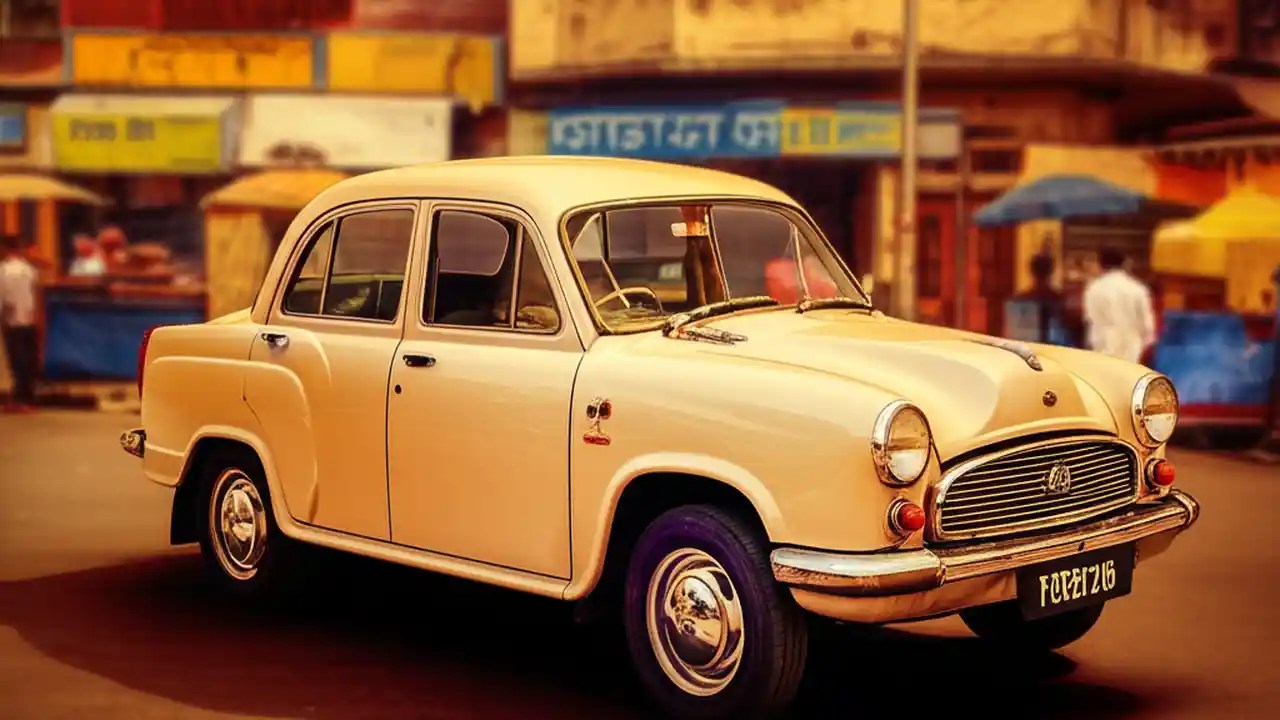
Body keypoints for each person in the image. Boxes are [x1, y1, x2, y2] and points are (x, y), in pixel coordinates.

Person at [1082, 246, 1157, 363]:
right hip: (1132, 359)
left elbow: (1090, 320)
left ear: (1100, 264)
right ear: (1124, 263)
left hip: (1102, 356)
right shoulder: (1138, 289)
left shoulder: (1093, 289)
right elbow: (1148, 329)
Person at [0, 233, 39, 412]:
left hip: (11, 320)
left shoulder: (3, 270)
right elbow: (36, 293)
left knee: (15, 361)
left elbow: (3, 298)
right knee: (28, 359)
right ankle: (28, 397)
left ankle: (17, 399)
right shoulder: (28, 269)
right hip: (29, 318)